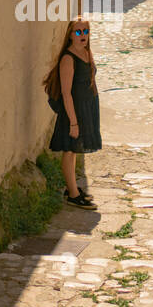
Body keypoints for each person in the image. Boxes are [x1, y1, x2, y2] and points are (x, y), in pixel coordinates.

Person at [43, 18, 102, 209]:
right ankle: (73, 195)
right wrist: (73, 122)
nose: (83, 35)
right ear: (70, 35)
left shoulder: (86, 52)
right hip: (74, 111)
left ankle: (72, 189)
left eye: (85, 31)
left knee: (76, 149)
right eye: (78, 32)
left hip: (86, 109)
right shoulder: (68, 59)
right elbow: (67, 93)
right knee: (69, 151)